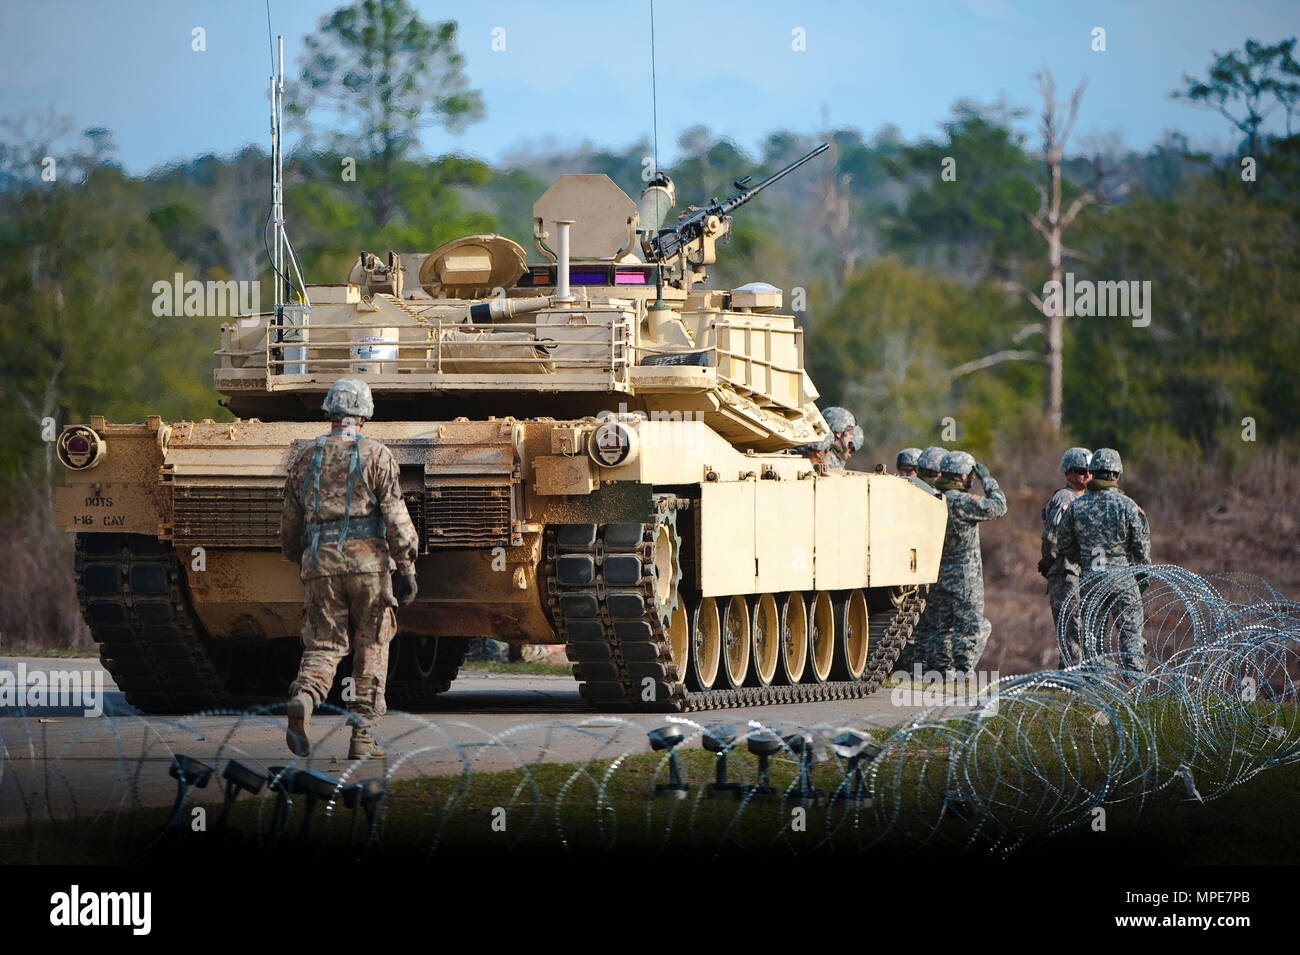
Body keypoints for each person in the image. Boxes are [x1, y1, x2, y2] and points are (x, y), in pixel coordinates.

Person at [280, 378, 419, 759]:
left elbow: (290, 526)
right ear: (365, 414)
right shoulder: (377, 454)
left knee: (324, 644)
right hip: (370, 566)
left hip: (321, 562)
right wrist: (406, 566)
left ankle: (306, 697)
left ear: (329, 412)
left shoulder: (304, 457)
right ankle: (362, 736)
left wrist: (302, 559)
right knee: (372, 645)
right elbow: (395, 516)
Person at [1057, 448, 1151, 675]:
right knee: (1131, 638)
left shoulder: (1076, 506)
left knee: (1093, 642)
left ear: (1092, 473)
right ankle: (1134, 686)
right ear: (1117, 475)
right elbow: (1142, 552)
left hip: (1091, 581)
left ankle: (1097, 695)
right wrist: (1140, 583)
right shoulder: (1129, 507)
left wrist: (1083, 559)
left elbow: (1064, 544)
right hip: (1123, 580)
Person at [917, 450, 1007, 674]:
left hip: (936, 574)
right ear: (961, 477)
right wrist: (989, 481)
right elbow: (999, 506)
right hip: (965, 577)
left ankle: (939, 674)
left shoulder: (930, 499)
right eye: (970, 476)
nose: (972, 480)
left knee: (939, 628)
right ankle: (963, 673)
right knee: (968, 627)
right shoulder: (963, 502)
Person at [1039, 447, 1091, 667]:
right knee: (1071, 631)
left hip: (1083, 572)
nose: (1087, 475)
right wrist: (1049, 562)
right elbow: (1052, 536)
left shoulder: (1089, 499)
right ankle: (1070, 682)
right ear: (1068, 473)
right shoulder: (1065, 498)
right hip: (1066, 572)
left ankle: (1078, 681)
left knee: (1083, 631)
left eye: (1091, 470)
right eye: (1081, 471)